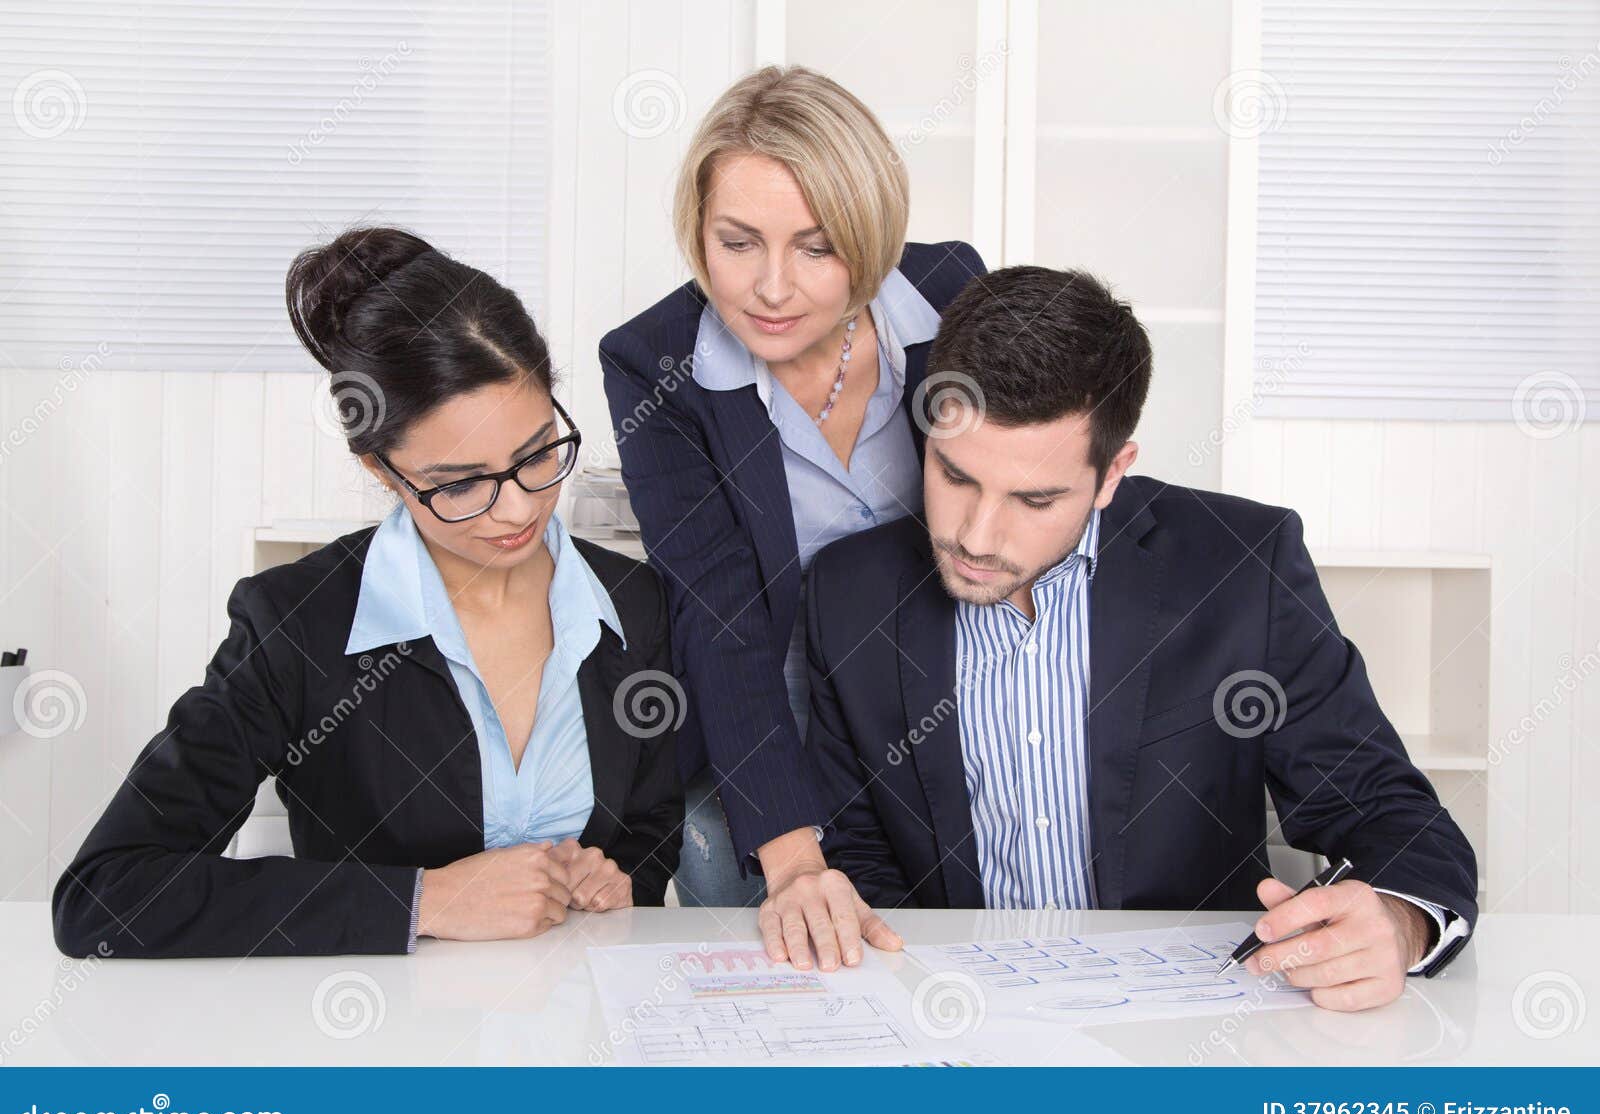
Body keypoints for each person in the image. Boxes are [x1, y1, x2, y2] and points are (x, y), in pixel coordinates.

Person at [801, 265, 1478, 1010]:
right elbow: (858, 850)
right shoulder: (848, 593)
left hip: (1186, 1033)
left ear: (1113, 471)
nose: (975, 535)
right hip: (957, 1024)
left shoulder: (1242, 567)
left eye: (1034, 498)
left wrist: (1398, 921)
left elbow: (1387, 808)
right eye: (955, 475)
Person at [53, 227, 682, 958]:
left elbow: (649, 829)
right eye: (459, 483)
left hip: (575, 1047)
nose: (517, 509)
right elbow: (107, 894)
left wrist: (616, 880)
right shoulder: (296, 625)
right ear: (382, 468)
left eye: (538, 452)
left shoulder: (633, 601)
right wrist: (424, 899)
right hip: (377, 1043)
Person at [600, 65, 984, 970]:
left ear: (873, 236)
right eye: (738, 243)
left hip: (950, 701)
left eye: (817, 248)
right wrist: (792, 853)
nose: (771, 288)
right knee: (786, 982)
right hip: (770, 725)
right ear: (698, 232)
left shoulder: (953, 293)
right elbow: (716, 609)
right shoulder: (654, 360)